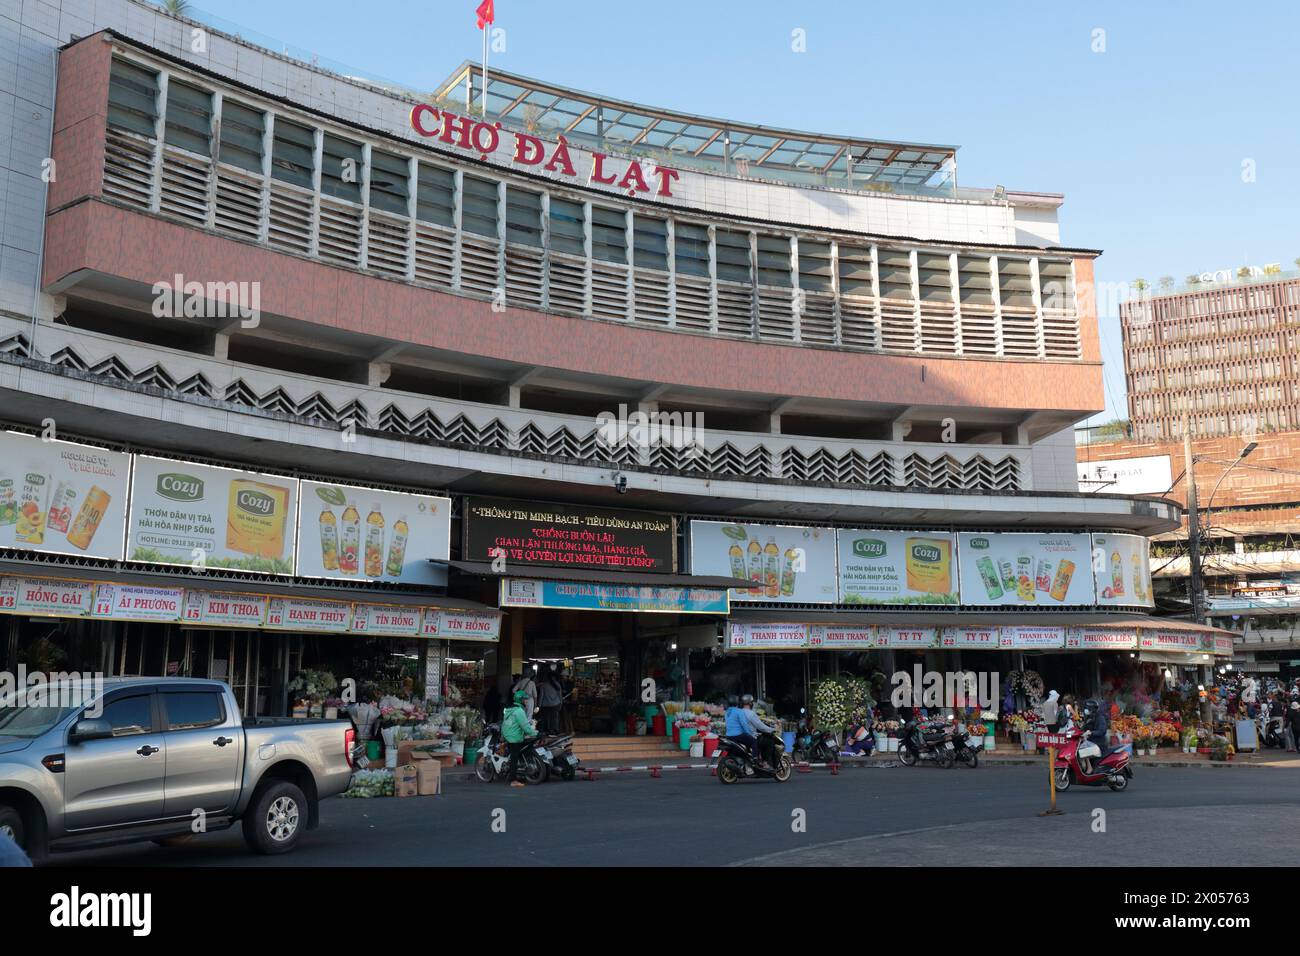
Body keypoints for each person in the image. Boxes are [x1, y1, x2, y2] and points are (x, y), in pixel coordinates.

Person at [725, 694, 777, 769]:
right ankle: (760, 762)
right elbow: (758, 726)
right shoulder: (748, 713)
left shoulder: (728, 712)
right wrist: (772, 729)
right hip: (743, 735)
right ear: (750, 703)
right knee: (769, 742)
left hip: (729, 735)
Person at [501, 689, 539, 787]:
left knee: (517, 755)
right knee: (514, 758)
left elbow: (505, 724)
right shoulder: (519, 711)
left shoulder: (509, 710)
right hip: (515, 738)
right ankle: (513, 781)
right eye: (525, 700)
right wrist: (536, 733)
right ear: (520, 700)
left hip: (509, 736)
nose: (526, 701)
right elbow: (526, 727)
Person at [538, 666, 563, 734]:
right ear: (555, 677)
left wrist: (539, 705)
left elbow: (541, 696)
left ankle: (546, 730)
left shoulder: (543, 685)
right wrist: (561, 703)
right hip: (556, 704)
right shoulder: (557, 685)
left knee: (545, 718)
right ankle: (555, 730)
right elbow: (560, 695)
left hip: (545, 705)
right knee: (554, 718)